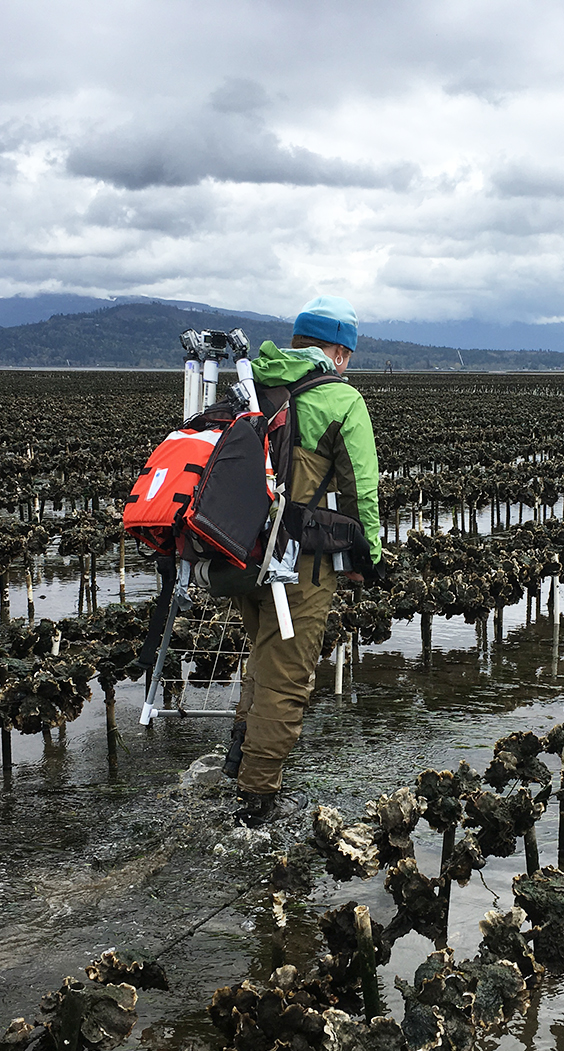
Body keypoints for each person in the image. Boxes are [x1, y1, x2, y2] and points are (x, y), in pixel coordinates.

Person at [227, 296, 382, 826]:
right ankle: (256, 803)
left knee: (263, 659)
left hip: (243, 554)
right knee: (288, 679)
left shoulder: (254, 384)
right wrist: (368, 558)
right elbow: (361, 491)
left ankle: (238, 761)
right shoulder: (341, 399)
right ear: (339, 352)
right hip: (300, 565)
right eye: (348, 356)